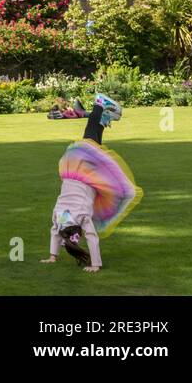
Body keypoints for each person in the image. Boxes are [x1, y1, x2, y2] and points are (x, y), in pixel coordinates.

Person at [41, 94, 140, 272]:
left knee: (90, 137)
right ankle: (102, 119)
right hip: (72, 170)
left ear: (76, 233)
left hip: (84, 173)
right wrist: (52, 256)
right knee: (94, 143)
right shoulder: (58, 215)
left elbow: (92, 238)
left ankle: (99, 104)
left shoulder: (82, 217)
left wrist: (95, 265)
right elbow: (55, 233)